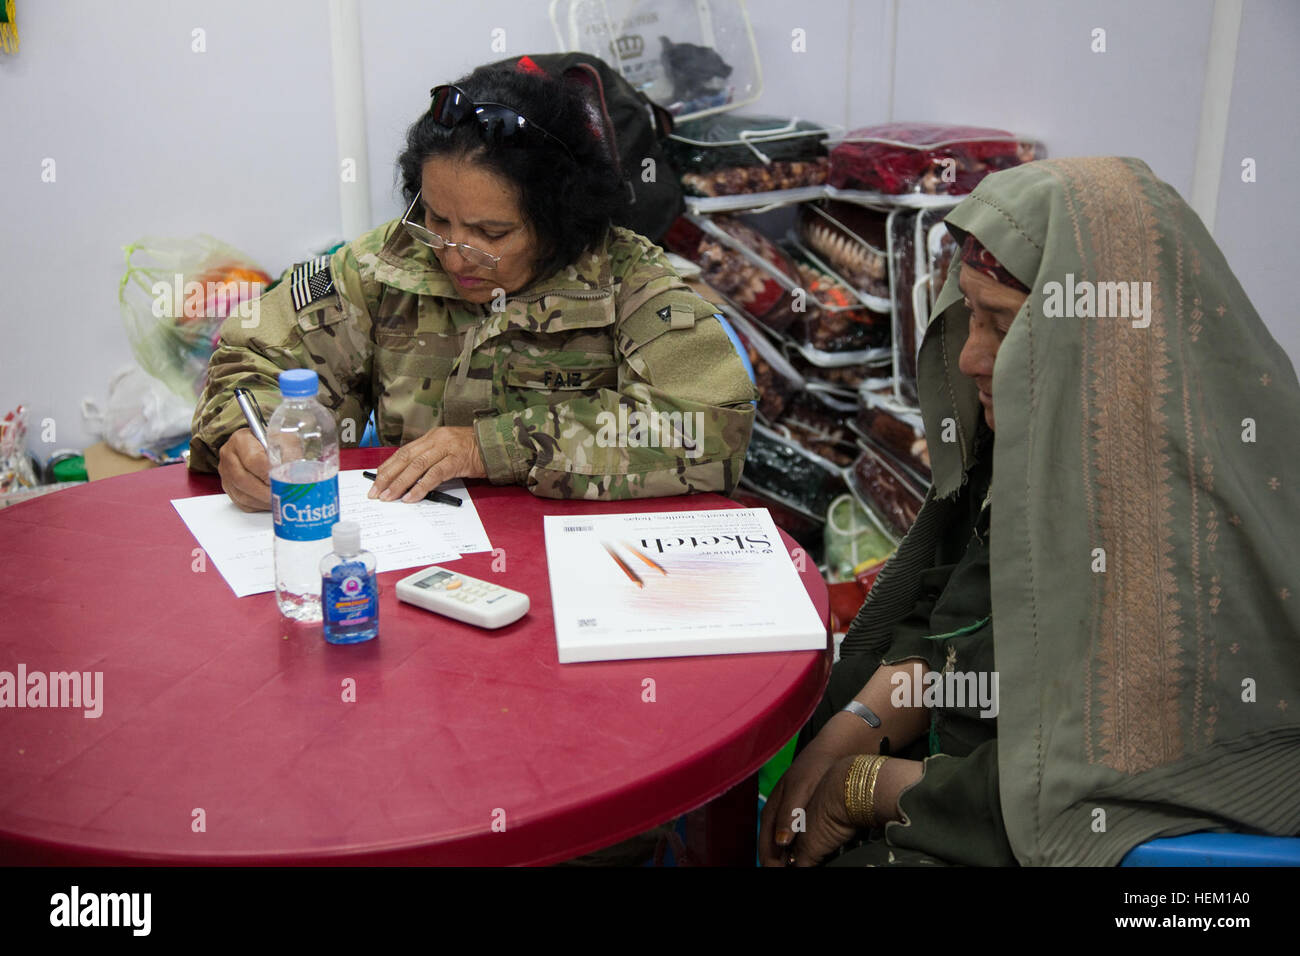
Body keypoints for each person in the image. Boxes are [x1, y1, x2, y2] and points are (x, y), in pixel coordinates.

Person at [760, 155, 1300, 867]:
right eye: (971, 318)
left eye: (1007, 326)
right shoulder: (1060, 439)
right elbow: (966, 616)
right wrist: (855, 726)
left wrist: (865, 787)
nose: (974, 358)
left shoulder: (1175, 523)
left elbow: (1112, 779)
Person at [189, 63, 756, 507]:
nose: (453, 252)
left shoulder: (628, 282)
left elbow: (708, 427)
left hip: (583, 575)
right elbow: (253, 357)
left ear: (558, 220)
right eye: (436, 218)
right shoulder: (387, 264)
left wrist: (491, 448)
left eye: (491, 231)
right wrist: (246, 435)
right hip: (421, 569)